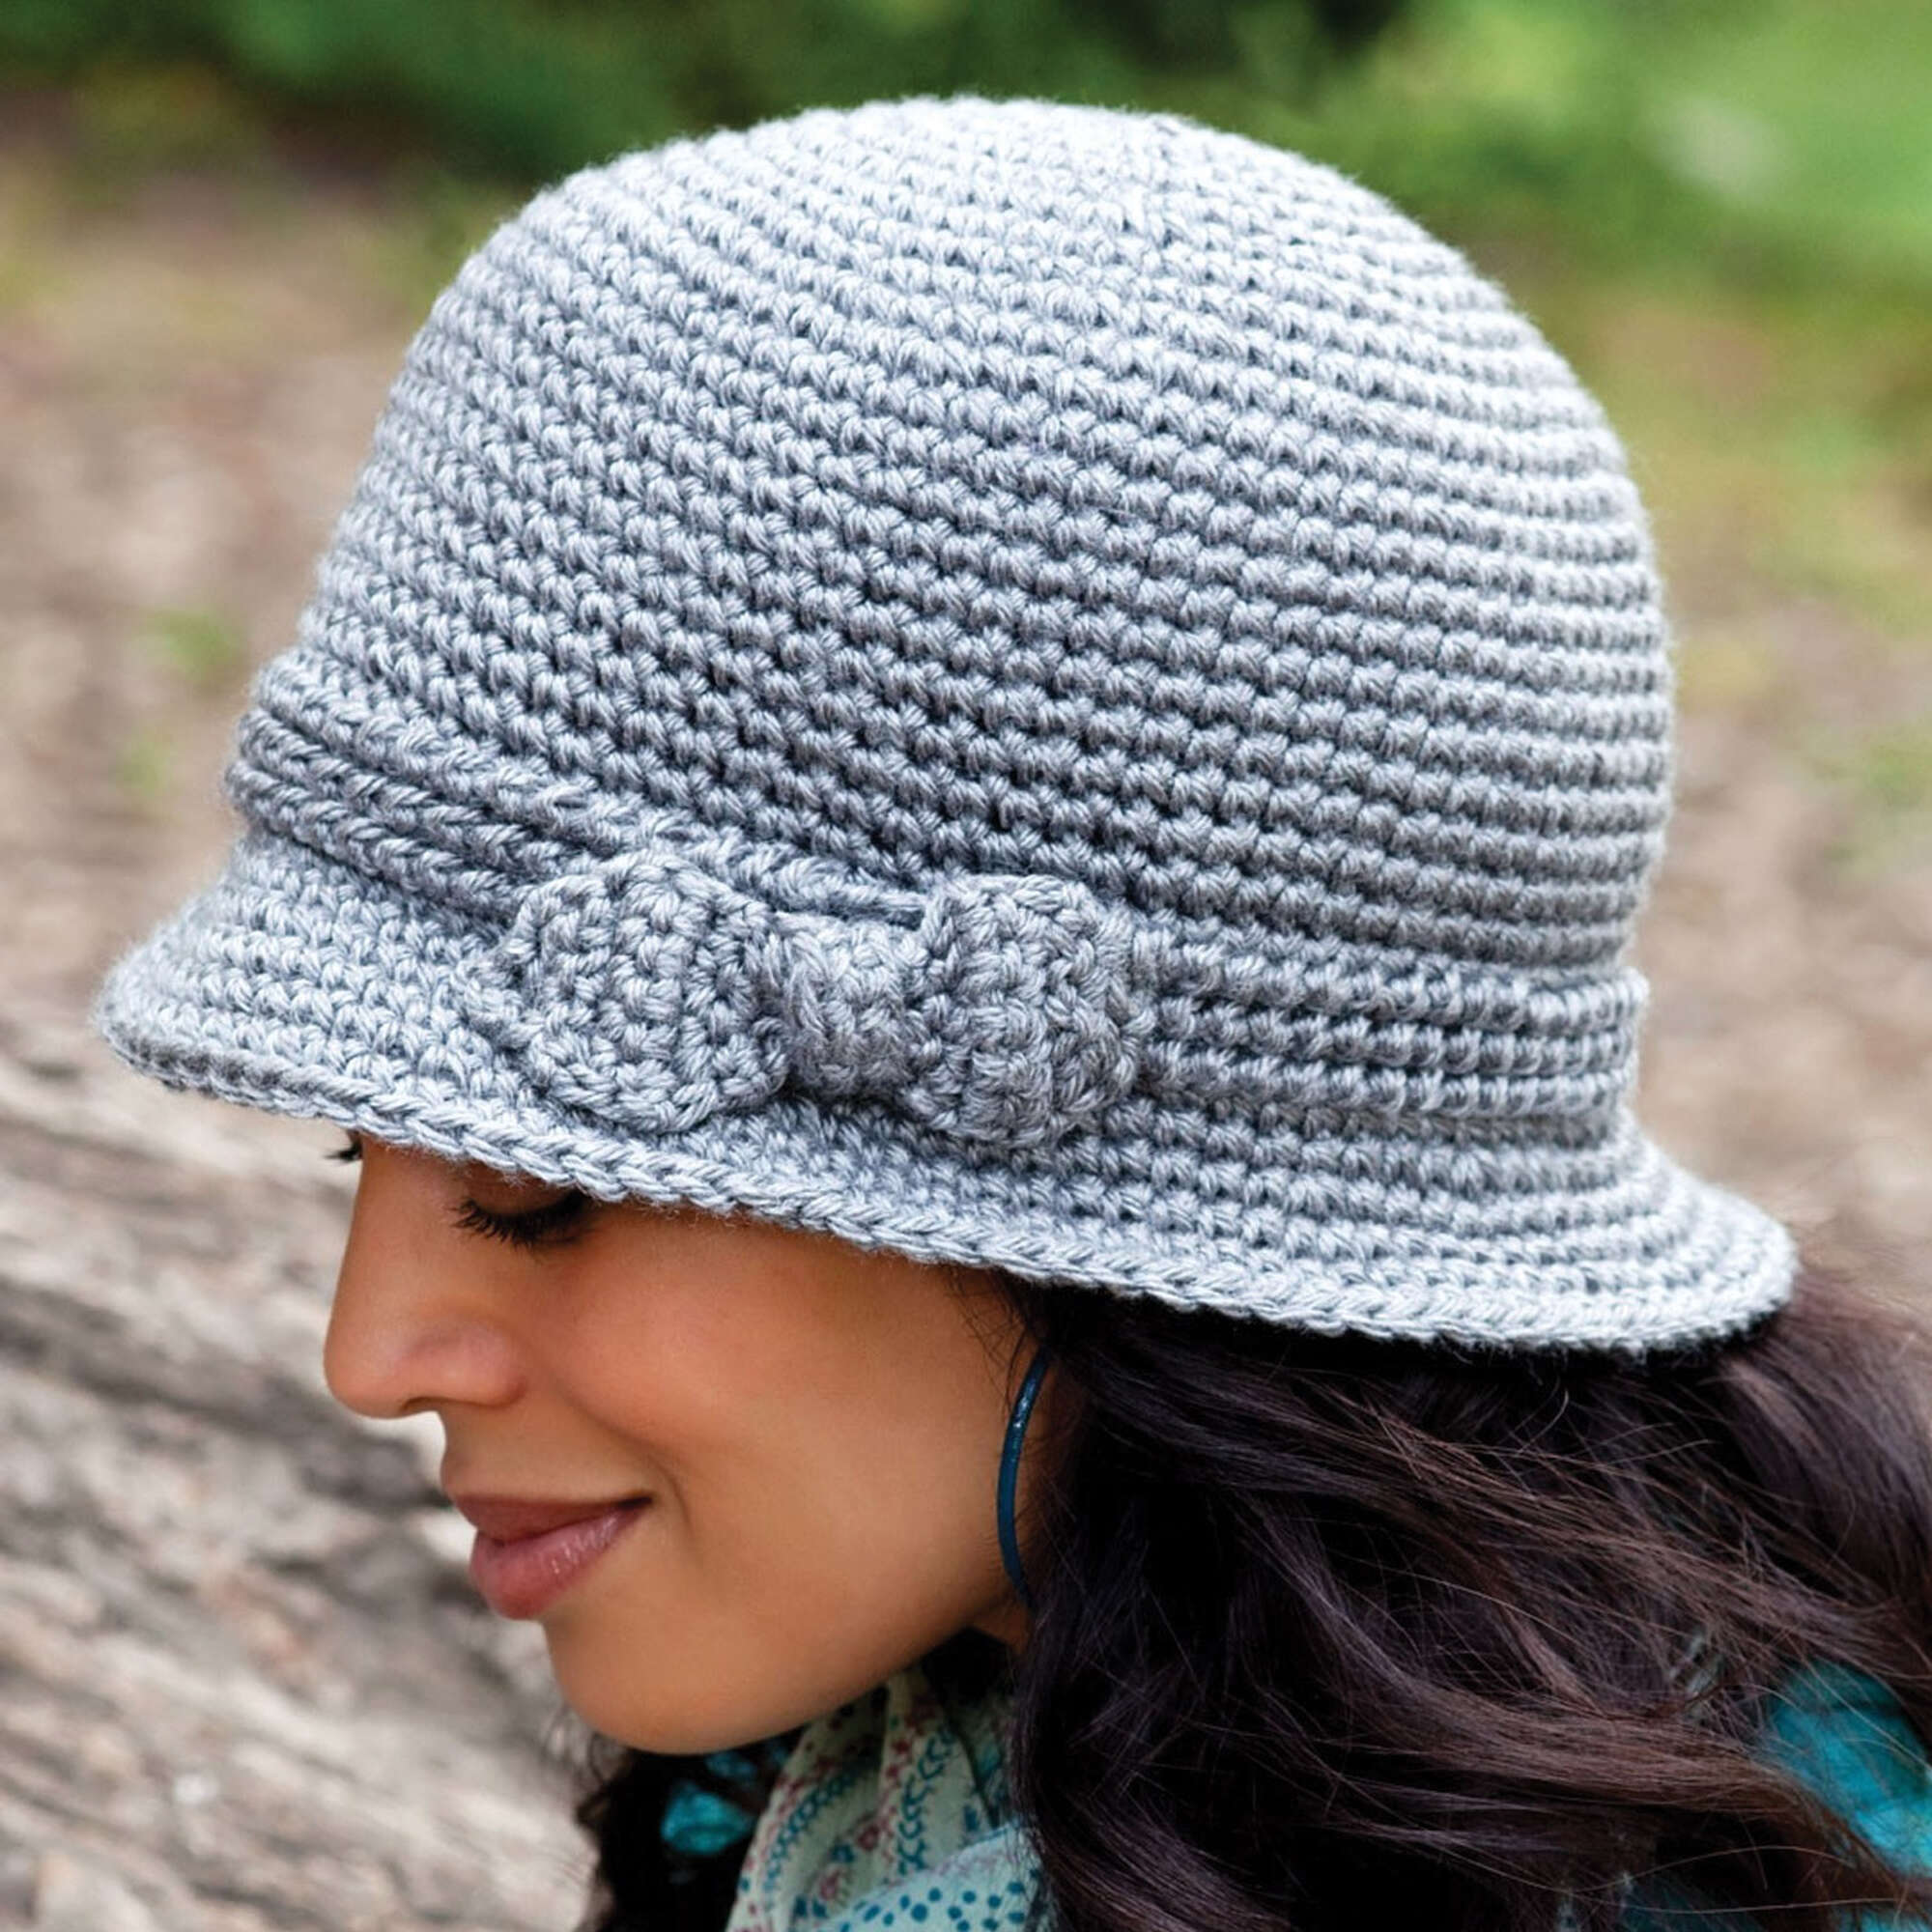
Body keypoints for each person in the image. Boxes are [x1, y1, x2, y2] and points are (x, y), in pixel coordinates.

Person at [92, 95, 1932, 1932]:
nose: (372, 1352)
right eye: (364, 1150)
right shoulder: (927, 1755)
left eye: (537, 1195)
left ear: (1105, 1202)